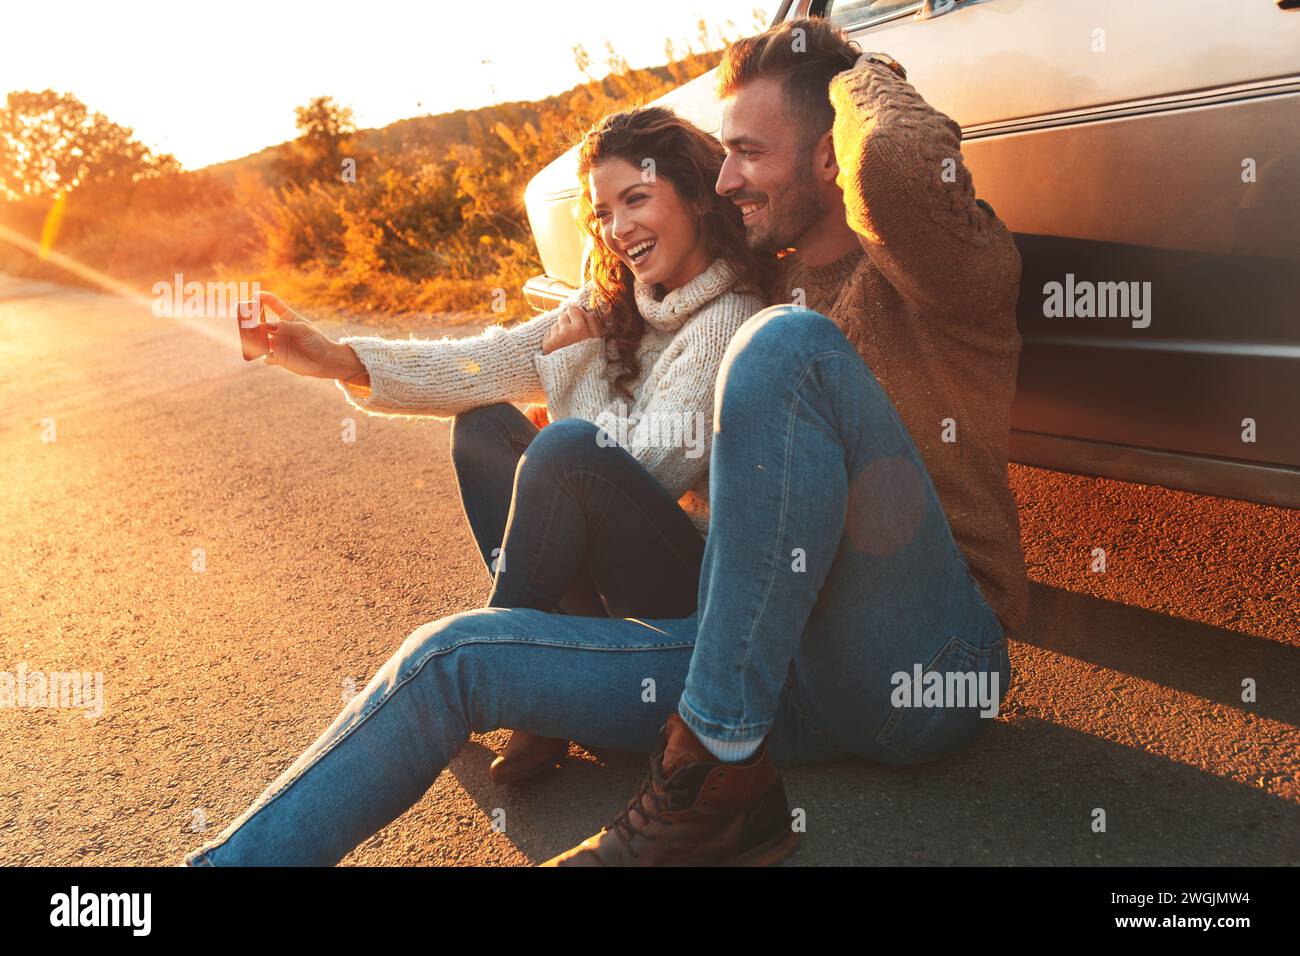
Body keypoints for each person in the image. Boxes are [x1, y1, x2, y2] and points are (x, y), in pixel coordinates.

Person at [185, 16, 1027, 868]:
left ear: (828, 155)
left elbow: (892, 162)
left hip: (923, 664)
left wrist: (852, 65)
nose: (727, 175)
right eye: (722, 155)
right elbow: (496, 361)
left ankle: (705, 780)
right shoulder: (763, 271)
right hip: (771, 673)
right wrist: (336, 356)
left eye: (749, 152)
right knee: (452, 655)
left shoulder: (942, 272)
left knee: (779, 345)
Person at [240, 106, 770, 785]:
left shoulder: (728, 321)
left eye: (637, 199)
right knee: (486, 423)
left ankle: (492, 672)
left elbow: (639, 473)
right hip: (610, 566)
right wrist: (339, 358)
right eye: (604, 212)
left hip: (677, 599)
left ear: (697, 196)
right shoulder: (617, 298)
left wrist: (574, 374)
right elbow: (481, 365)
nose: (619, 230)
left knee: (565, 448)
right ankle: (537, 698)